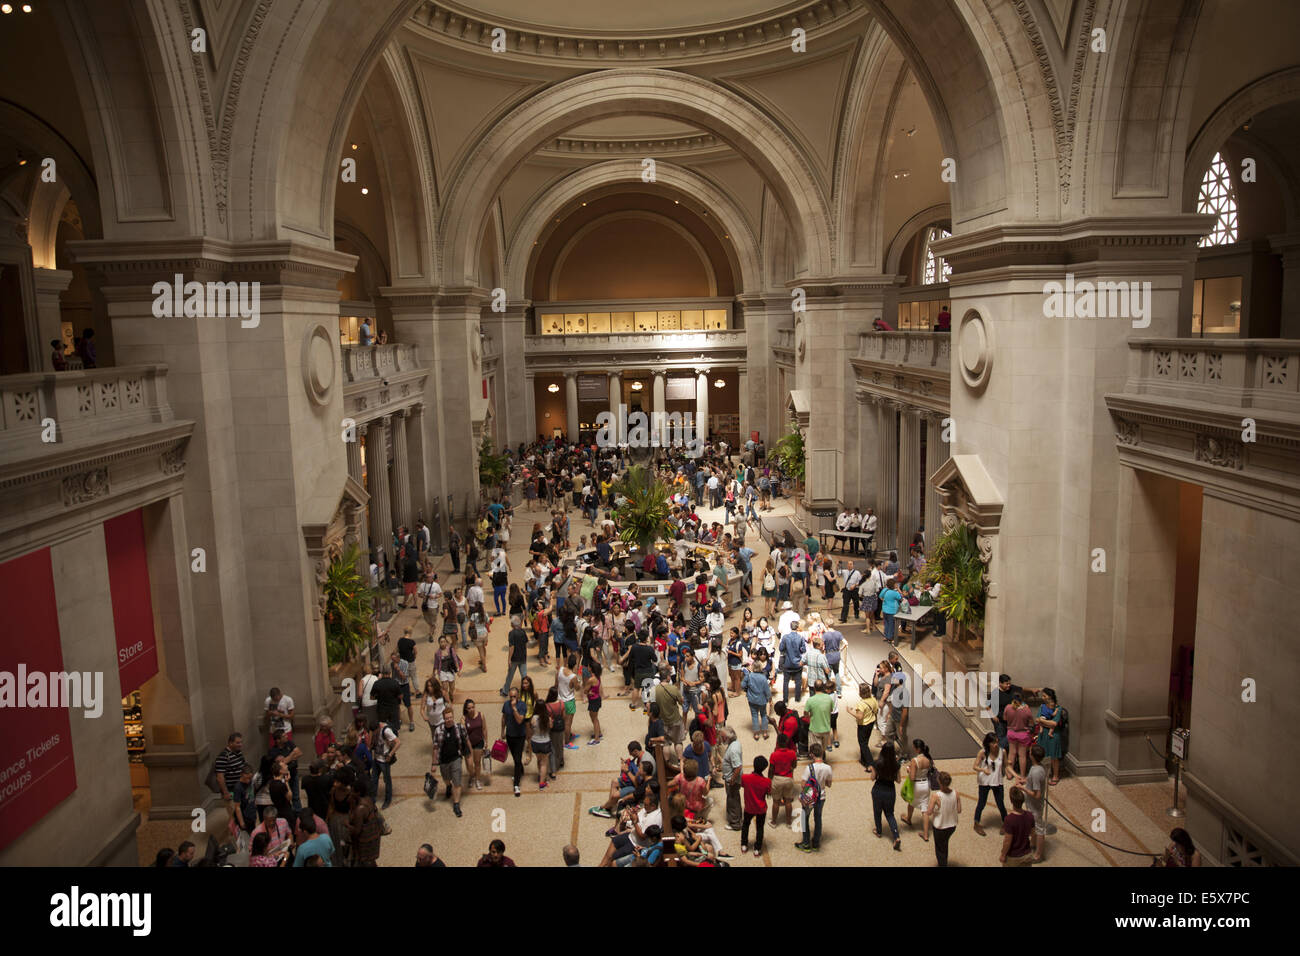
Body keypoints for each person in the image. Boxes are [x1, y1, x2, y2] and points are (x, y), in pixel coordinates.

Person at [794, 742, 831, 852]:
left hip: (810, 798)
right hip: (821, 796)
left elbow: (803, 784)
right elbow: (829, 784)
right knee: (818, 818)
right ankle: (816, 843)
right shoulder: (828, 768)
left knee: (805, 818)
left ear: (811, 755)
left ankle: (805, 843)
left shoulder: (809, 768)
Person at [433, 708, 470, 816]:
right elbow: (435, 748)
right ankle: (448, 786)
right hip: (443, 760)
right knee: (446, 779)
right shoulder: (438, 730)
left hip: (456, 758)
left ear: (453, 717)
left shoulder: (459, 728)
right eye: (446, 718)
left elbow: (466, 740)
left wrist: (469, 754)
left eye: (450, 717)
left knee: (457, 783)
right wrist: (433, 764)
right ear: (443, 719)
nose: (449, 720)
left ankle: (456, 804)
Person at [972, 731, 1009, 836]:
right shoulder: (982, 752)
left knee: (1000, 803)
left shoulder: (1003, 752)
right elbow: (974, 766)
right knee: (981, 803)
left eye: (997, 742)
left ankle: (1005, 823)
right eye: (993, 743)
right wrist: (983, 770)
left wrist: (1014, 775)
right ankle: (976, 822)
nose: (996, 745)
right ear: (988, 743)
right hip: (985, 781)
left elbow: (1006, 765)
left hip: (997, 781)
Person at [868, 741, 902, 851]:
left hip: (878, 789)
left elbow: (872, 778)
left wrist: (873, 769)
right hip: (890, 790)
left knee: (877, 812)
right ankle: (896, 836)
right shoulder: (896, 765)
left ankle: (878, 830)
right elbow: (898, 780)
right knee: (890, 814)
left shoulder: (877, 763)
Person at [1019, 744, 1048, 862]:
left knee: (1039, 828)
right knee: (1033, 826)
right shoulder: (1037, 767)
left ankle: (1038, 855)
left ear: (1032, 756)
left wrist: (1023, 789)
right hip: (1031, 804)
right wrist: (1025, 780)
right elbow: (1031, 780)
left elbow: (1037, 794)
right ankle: (1032, 844)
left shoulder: (1036, 772)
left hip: (1035, 806)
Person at [902, 738, 934, 841]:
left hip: (916, 785)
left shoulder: (915, 761)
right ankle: (925, 834)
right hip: (925, 785)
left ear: (917, 749)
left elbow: (912, 777)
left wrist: (909, 769)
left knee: (911, 802)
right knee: (924, 809)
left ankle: (908, 818)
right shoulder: (928, 759)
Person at [740, 755, 772, 857]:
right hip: (761, 809)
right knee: (760, 828)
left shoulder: (745, 778)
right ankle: (757, 848)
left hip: (749, 807)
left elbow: (742, 785)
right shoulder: (767, 782)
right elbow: (768, 792)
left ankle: (744, 844)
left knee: (745, 825)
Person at [928, 771, 960, 866]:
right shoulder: (956, 793)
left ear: (939, 782)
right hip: (952, 825)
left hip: (940, 826)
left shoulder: (936, 796)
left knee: (940, 849)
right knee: (944, 844)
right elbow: (959, 809)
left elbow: (929, 812)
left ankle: (943, 864)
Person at [501, 685, 528, 797]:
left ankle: (516, 784)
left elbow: (519, 720)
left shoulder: (522, 705)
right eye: (511, 697)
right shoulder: (505, 705)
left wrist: (514, 709)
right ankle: (520, 770)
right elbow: (504, 718)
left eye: (514, 697)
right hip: (510, 735)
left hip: (520, 735)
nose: (512, 699)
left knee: (517, 759)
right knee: (515, 757)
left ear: (518, 696)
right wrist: (502, 731)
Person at [1035, 687, 1065, 785]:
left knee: (1054, 757)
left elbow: (1054, 724)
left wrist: (1043, 721)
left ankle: (1055, 775)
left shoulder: (1058, 708)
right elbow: (1037, 719)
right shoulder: (1042, 706)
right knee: (1041, 755)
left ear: (1050, 697)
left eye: (1044, 696)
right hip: (1043, 734)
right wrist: (1044, 722)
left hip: (1053, 735)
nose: (1042, 697)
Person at [1000, 787, 1034, 866]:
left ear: (1011, 801)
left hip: (1013, 856)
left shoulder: (1009, 819)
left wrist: (1003, 855)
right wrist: (1031, 846)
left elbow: (1007, 841)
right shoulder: (1030, 815)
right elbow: (1034, 834)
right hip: (1027, 854)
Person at [370, 718, 400, 810]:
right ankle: (372, 799)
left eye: (375, 731)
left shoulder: (386, 731)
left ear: (378, 727)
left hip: (384, 760)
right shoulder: (374, 730)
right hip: (376, 758)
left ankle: (388, 799)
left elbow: (398, 742)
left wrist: (390, 755)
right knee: (373, 779)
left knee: (387, 780)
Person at [848, 683, 879, 768]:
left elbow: (860, 716)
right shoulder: (873, 699)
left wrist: (850, 711)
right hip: (871, 722)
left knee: (863, 744)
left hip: (863, 725)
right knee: (865, 741)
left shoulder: (861, 704)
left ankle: (870, 763)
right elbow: (876, 710)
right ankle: (863, 760)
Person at [719, 725, 744, 831]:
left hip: (732, 780)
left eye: (723, 737)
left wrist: (732, 780)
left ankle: (735, 823)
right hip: (731, 778)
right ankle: (738, 818)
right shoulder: (735, 743)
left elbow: (738, 767)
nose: (721, 739)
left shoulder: (733, 749)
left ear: (728, 737)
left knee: (732, 800)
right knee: (735, 799)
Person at [741, 660, 772, 740]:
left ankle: (756, 734)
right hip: (762, 700)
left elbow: (742, 685)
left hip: (752, 699)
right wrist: (769, 698)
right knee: (763, 715)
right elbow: (767, 690)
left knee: (754, 715)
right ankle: (765, 733)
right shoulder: (763, 678)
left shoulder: (749, 676)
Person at [805, 680, 834, 757]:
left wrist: (809, 718)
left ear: (814, 688)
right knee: (823, 749)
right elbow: (831, 710)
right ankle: (823, 760)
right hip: (826, 728)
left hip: (815, 728)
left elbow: (805, 713)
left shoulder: (810, 700)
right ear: (823, 687)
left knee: (815, 750)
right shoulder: (829, 698)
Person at [501, 615, 528, 696]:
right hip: (523, 657)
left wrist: (509, 659)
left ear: (512, 624)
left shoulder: (512, 633)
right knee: (524, 675)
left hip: (514, 658)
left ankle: (505, 691)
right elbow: (526, 643)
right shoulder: (523, 631)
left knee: (510, 675)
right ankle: (526, 691)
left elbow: (511, 647)